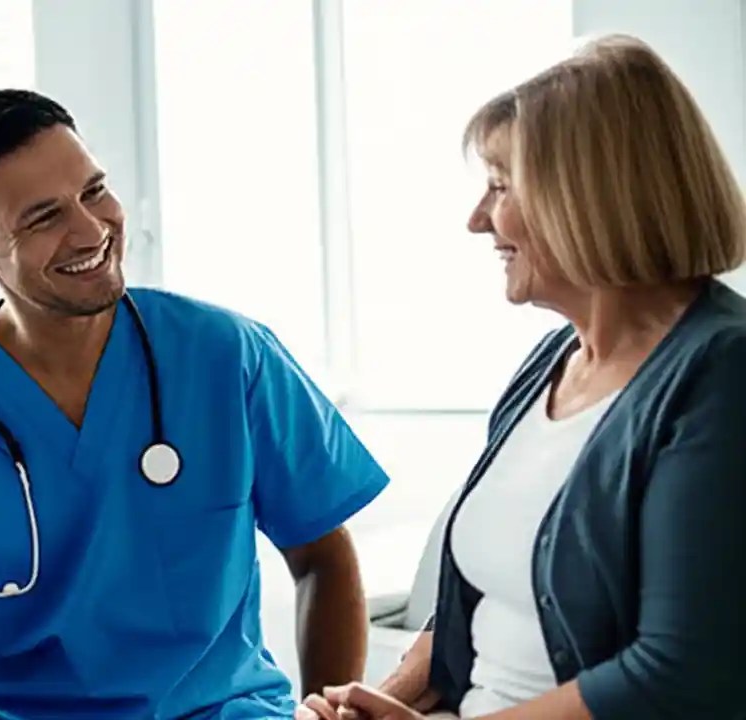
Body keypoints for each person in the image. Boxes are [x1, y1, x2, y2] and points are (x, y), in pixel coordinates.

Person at [0, 88, 392, 718]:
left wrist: (324, 711)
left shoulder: (226, 356)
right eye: (44, 217)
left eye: (93, 191)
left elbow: (322, 558)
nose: (90, 229)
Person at [298, 33, 746, 720]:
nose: (478, 219)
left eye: (501, 188)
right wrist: (374, 706)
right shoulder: (550, 363)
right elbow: (466, 618)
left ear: (589, 199)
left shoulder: (720, 373)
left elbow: (679, 676)